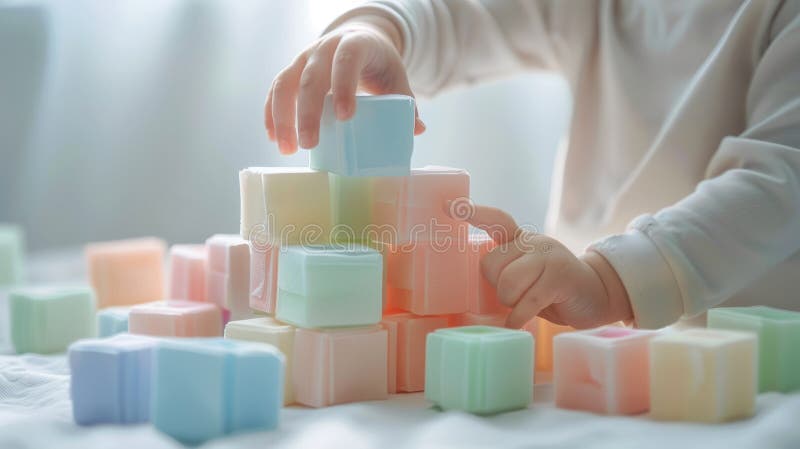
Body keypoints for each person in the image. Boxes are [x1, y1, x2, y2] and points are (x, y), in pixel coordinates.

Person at [264, 1, 800, 330]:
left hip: (748, 341)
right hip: (570, 321)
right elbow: (460, 16)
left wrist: (610, 281)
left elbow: (780, 180)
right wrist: (379, 29)